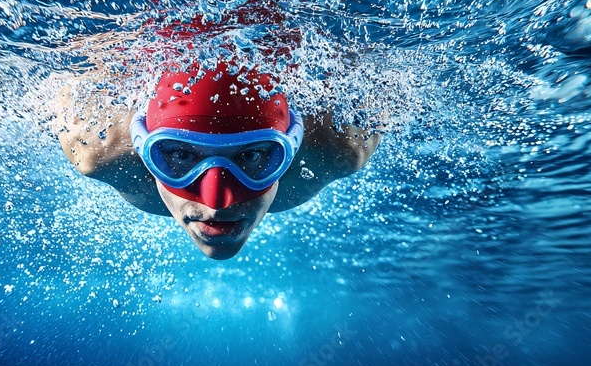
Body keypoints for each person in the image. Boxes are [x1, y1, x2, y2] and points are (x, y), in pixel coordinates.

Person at [53, 33, 380, 261]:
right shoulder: (102, 147)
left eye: (251, 156)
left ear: (291, 152)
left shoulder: (334, 147)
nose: (217, 203)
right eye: (181, 156)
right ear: (141, 150)